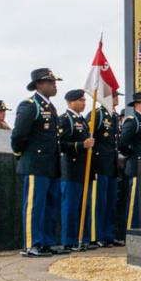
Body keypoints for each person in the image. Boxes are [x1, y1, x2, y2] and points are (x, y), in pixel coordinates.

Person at [10, 68, 64, 257]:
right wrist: (20, 153)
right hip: (35, 163)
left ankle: (47, 242)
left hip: (51, 164)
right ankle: (32, 244)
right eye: (50, 82)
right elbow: (18, 135)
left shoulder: (50, 107)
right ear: (39, 84)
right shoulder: (30, 105)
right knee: (35, 205)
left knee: (51, 204)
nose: (54, 85)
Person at [57, 89, 95, 251]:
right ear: (70, 102)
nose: (84, 103)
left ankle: (82, 238)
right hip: (71, 169)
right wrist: (81, 145)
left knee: (83, 206)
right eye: (81, 100)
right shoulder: (65, 119)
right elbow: (61, 144)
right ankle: (69, 240)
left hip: (83, 169)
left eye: (85, 100)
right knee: (70, 207)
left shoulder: (82, 120)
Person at [118, 90, 141, 231]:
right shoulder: (133, 121)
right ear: (137, 105)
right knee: (134, 201)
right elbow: (122, 143)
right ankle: (131, 230)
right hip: (137, 166)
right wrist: (132, 155)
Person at [88, 92, 121, 247]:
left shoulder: (114, 117)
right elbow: (88, 136)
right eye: (114, 95)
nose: (117, 98)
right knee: (99, 202)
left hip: (112, 165)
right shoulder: (97, 114)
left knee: (110, 203)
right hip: (99, 164)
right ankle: (96, 235)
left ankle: (108, 235)